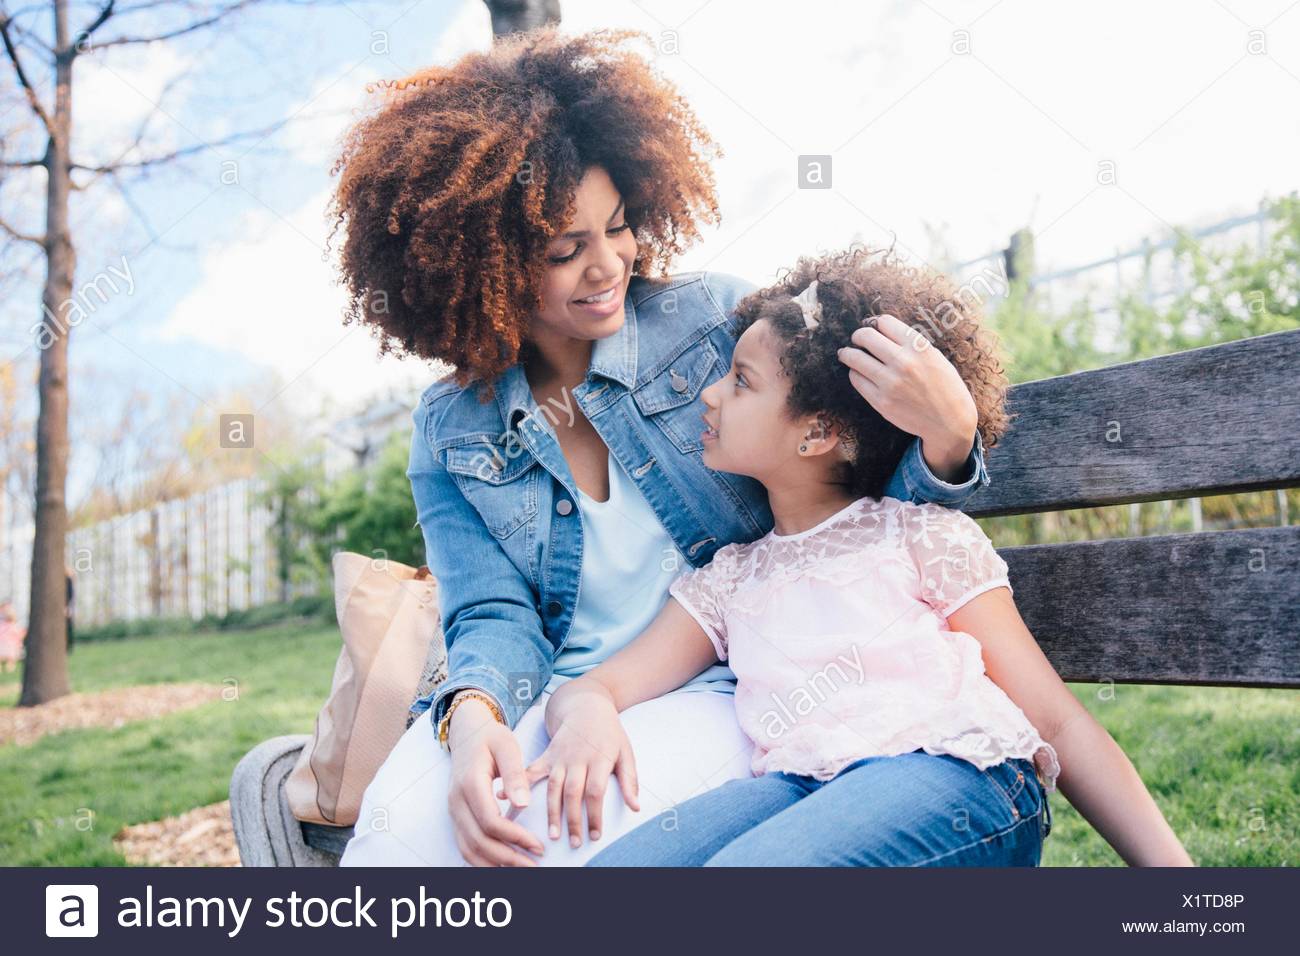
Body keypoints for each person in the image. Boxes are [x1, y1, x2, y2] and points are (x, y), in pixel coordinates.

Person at [336, 29, 988, 868]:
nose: (607, 266)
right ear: (486, 267)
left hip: (717, 683)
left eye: (617, 229)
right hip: (554, 694)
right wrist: (473, 723)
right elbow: (489, 615)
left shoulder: (713, 324)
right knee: (387, 855)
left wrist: (951, 437)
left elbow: (853, 496)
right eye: (566, 251)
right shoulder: (450, 428)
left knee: (541, 846)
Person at [556, 248, 1193, 866]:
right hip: (803, 787)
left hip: (960, 774)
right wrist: (585, 709)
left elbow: (1056, 716)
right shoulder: (729, 580)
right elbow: (606, 683)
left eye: (741, 381)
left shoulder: (916, 536)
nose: (711, 396)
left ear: (818, 432)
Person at [0, 601, 26, 674]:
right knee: (9, 657)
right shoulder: (8, 625)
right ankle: (9, 668)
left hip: (8, 643)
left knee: (10, 658)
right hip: (7, 642)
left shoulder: (11, 626)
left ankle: (9, 668)